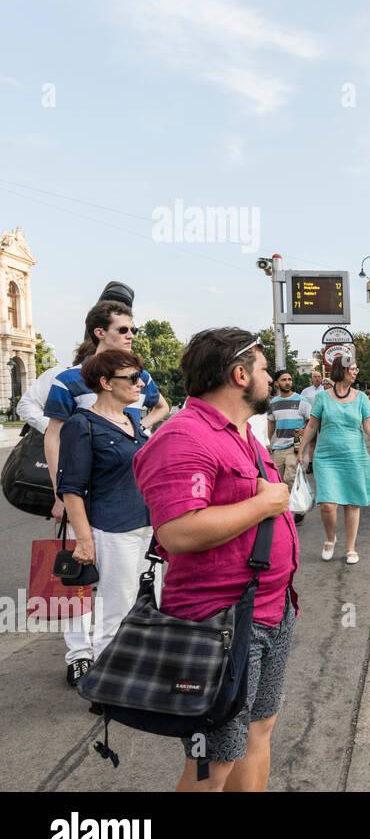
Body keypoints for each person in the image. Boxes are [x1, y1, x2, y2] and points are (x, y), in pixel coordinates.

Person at [132, 328, 297, 793]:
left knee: (257, 731)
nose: (271, 378)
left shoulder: (241, 433)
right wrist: (265, 505)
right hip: (220, 621)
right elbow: (179, 531)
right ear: (239, 374)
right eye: (264, 370)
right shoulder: (184, 435)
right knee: (213, 761)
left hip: (269, 609)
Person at [55, 350, 155, 686]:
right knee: (117, 607)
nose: (140, 383)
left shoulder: (132, 420)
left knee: (145, 602)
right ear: (105, 383)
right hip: (112, 529)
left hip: (147, 527)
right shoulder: (80, 425)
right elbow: (71, 489)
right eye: (132, 378)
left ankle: (134, 670)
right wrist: (84, 541)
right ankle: (107, 685)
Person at [44, 300, 169, 522]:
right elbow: (54, 438)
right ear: (99, 332)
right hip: (91, 493)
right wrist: (59, 494)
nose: (130, 335)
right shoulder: (68, 379)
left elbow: (163, 406)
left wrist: (140, 426)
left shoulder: (141, 377)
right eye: (123, 330)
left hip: (139, 489)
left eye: (133, 330)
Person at [298, 356, 370, 564]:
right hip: (327, 457)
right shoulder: (323, 398)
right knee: (327, 504)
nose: (356, 372)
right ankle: (330, 538)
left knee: (351, 503)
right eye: (353, 369)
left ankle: (350, 548)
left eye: (356, 369)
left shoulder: (362, 397)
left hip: (355, 456)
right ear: (342, 370)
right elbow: (311, 425)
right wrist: (301, 450)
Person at [266, 368, 311, 495]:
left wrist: (305, 431)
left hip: (296, 446)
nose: (287, 382)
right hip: (278, 448)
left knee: (289, 480)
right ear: (276, 383)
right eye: (284, 380)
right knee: (278, 481)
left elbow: (311, 422)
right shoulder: (273, 403)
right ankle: (287, 511)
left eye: (289, 379)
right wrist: (267, 441)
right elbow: (271, 423)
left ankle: (292, 510)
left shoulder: (302, 400)